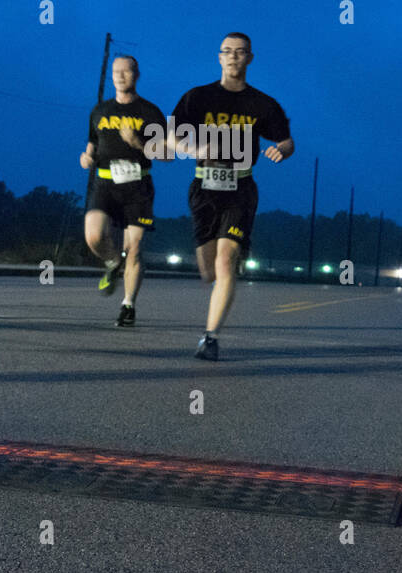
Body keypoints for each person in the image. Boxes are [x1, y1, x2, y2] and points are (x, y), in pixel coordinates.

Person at [171, 33, 293, 360]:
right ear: (219, 57)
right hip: (204, 187)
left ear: (249, 58)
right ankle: (224, 273)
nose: (233, 57)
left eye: (240, 52)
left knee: (225, 261)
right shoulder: (197, 98)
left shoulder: (263, 104)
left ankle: (210, 338)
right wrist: (193, 147)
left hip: (241, 188)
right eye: (227, 52)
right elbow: (169, 138)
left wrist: (281, 150)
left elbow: (287, 141)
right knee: (209, 270)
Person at [79, 55, 167, 326]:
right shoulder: (100, 110)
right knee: (94, 237)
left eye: (125, 72)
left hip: (137, 185)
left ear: (136, 75)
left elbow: (166, 154)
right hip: (105, 183)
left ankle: (127, 305)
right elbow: (92, 144)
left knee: (135, 248)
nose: (119, 76)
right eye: (115, 72)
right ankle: (113, 262)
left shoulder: (150, 112)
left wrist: (138, 143)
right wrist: (86, 157)